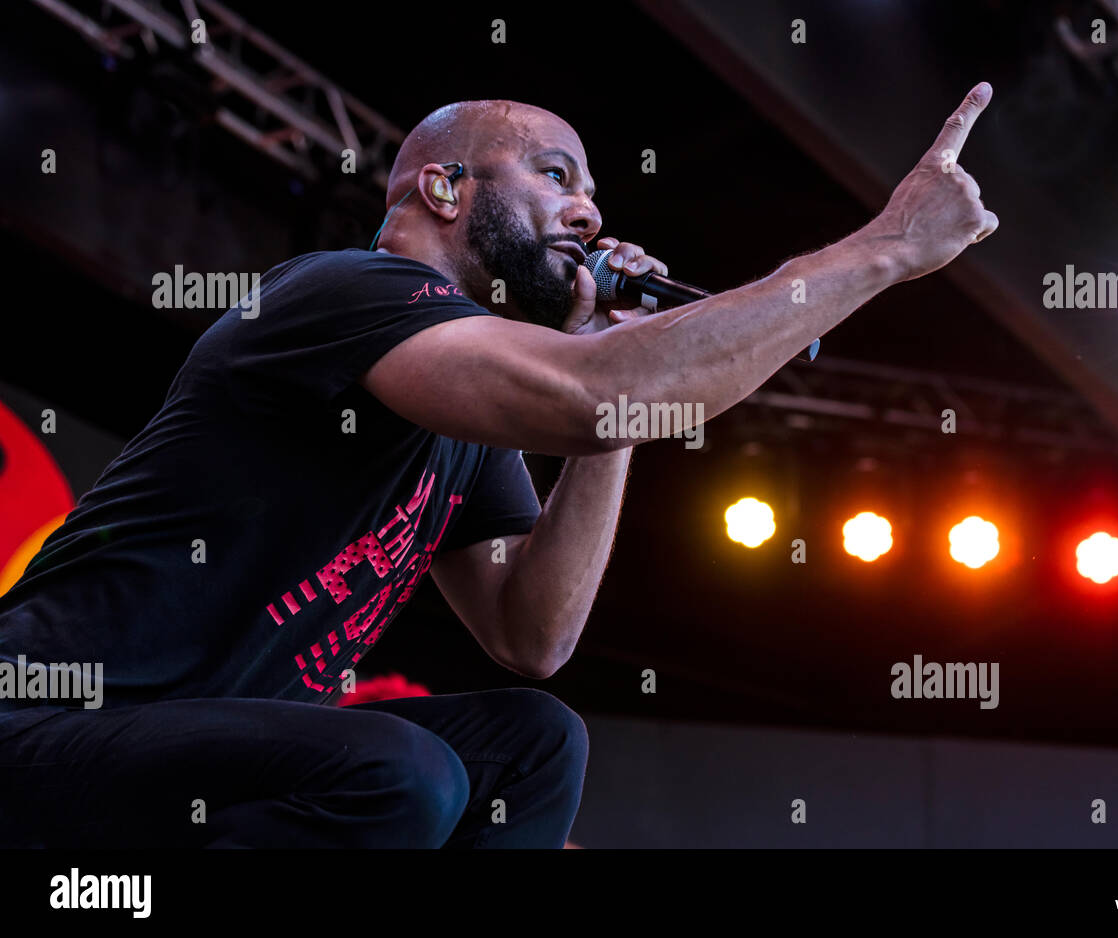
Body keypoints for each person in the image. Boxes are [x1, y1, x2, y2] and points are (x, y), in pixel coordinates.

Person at [0, 85, 998, 848]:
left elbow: (533, 631)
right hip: (47, 724)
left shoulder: (464, 415)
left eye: (592, 191)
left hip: (204, 746)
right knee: (400, 772)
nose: (589, 213)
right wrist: (882, 250)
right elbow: (590, 393)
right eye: (557, 176)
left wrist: (613, 352)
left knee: (533, 737)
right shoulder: (343, 292)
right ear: (443, 187)